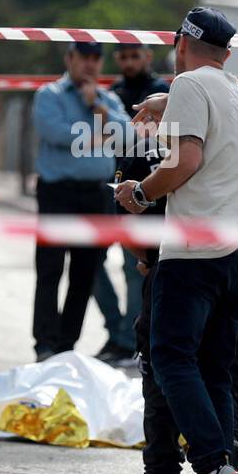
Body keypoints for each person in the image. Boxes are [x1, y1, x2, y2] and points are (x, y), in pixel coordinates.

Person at [117, 6, 238, 474]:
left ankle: (210, 470)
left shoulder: (189, 87)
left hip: (195, 249)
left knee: (171, 357)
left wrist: (140, 191)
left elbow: (184, 163)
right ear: (226, 53)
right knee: (217, 367)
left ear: (180, 43)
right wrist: (165, 100)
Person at [30, 41, 131, 361]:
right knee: (50, 268)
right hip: (58, 192)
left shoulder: (109, 100)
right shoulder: (50, 95)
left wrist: (97, 110)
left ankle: (65, 346)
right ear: (69, 59)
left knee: (85, 271)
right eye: (83, 58)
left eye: (95, 59)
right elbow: (57, 134)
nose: (89, 65)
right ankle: (45, 343)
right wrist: (101, 133)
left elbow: (128, 138)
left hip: (96, 194)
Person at [93, 43, 171, 367]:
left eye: (134, 56)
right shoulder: (112, 93)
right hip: (109, 185)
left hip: (143, 194)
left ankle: (131, 341)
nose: (129, 62)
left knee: (134, 269)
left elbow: (156, 144)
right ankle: (118, 333)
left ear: (147, 57)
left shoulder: (162, 94)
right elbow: (101, 140)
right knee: (92, 264)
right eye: (123, 57)